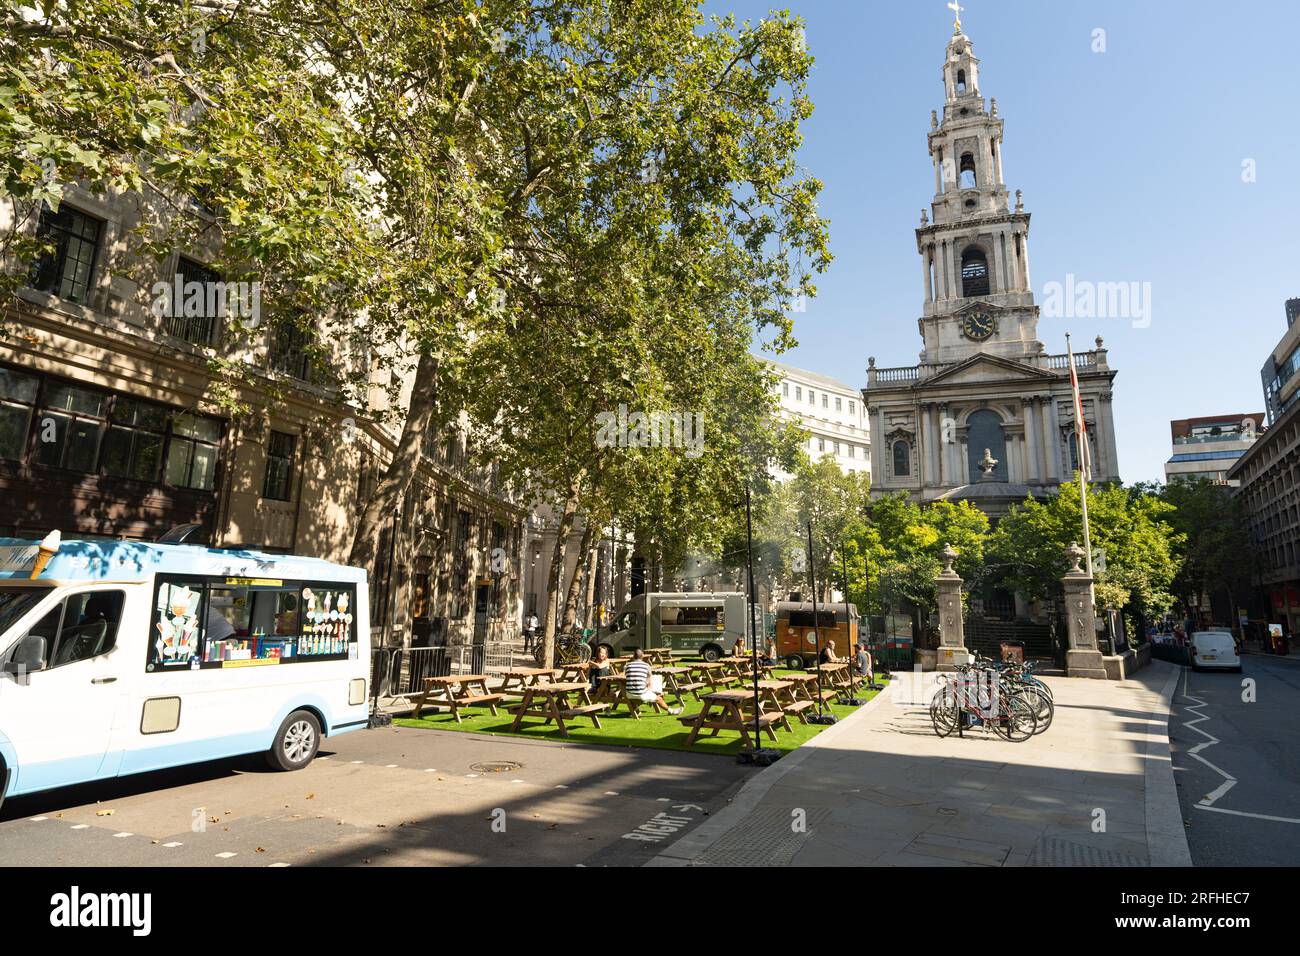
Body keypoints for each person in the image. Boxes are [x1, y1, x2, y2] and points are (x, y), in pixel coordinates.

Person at [624, 648, 680, 715]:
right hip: (641, 694)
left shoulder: (627, 666)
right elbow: (649, 680)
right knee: (658, 698)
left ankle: (636, 709)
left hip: (629, 694)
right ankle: (671, 711)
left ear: (633, 656)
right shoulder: (646, 666)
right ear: (642, 656)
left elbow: (628, 676)